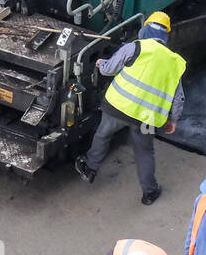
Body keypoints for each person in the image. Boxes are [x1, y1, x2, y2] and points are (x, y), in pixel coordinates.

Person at [76, 12, 186, 206]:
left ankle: (90, 169)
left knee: (102, 135)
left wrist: (101, 64)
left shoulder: (135, 47)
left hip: (118, 108)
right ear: (166, 35)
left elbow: (108, 69)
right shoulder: (174, 62)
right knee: (144, 152)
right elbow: (179, 97)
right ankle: (150, 193)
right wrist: (173, 119)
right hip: (145, 119)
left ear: (146, 28)